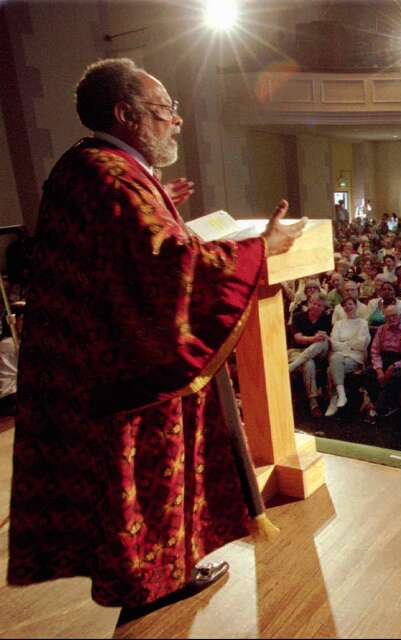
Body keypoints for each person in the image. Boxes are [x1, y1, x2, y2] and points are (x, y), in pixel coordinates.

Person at [7, 58, 306, 608]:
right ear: (125, 115)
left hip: (91, 358)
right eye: (164, 109)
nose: (176, 120)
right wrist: (262, 246)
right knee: (141, 479)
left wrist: (161, 201)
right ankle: (150, 583)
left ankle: (146, 574)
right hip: (128, 366)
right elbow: (170, 266)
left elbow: (121, 251)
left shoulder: (86, 163)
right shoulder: (114, 178)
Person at [287, 292, 333, 417]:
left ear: (323, 308)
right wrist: (313, 338)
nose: (316, 307)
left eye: (319, 305)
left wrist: (322, 338)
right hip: (297, 351)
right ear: (308, 303)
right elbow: (298, 338)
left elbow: (327, 339)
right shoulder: (298, 316)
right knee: (308, 363)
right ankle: (313, 403)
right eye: (313, 303)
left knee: (323, 341)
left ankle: (292, 366)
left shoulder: (325, 319)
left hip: (318, 353)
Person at [325, 297, 371, 416]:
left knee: (331, 369)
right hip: (339, 356)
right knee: (336, 359)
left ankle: (334, 399)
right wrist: (351, 343)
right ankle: (341, 396)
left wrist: (343, 344)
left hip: (355, 357)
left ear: (356, 306)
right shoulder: (338, 324)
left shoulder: (362, 323)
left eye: (350, 304)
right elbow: (333, 345)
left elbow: (361, 345)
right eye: (345, 305)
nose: (348, 307)